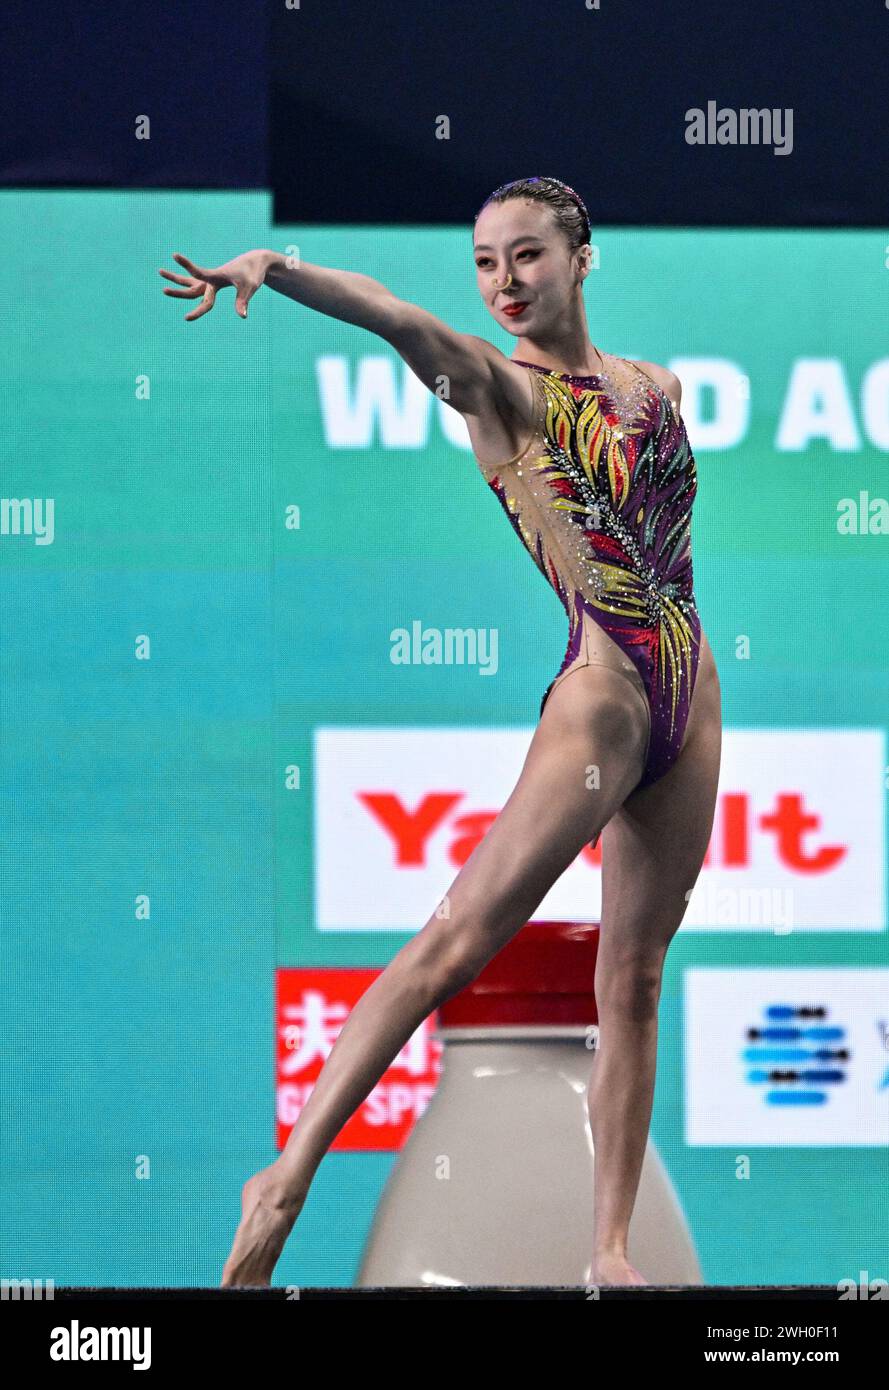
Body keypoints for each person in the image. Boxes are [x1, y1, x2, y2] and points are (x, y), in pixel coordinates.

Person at [159, 176, 722, 1288]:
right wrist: (277, 270)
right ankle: (285, 1174)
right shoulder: (492, 388)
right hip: (603, 697)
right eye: (484, 262)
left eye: (525, 256)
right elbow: (396, 318)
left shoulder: (655, 389)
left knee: (636, 979)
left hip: (690, 700)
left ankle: (608, 1248)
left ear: (581, 257)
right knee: (454, 943)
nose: (503, 282)